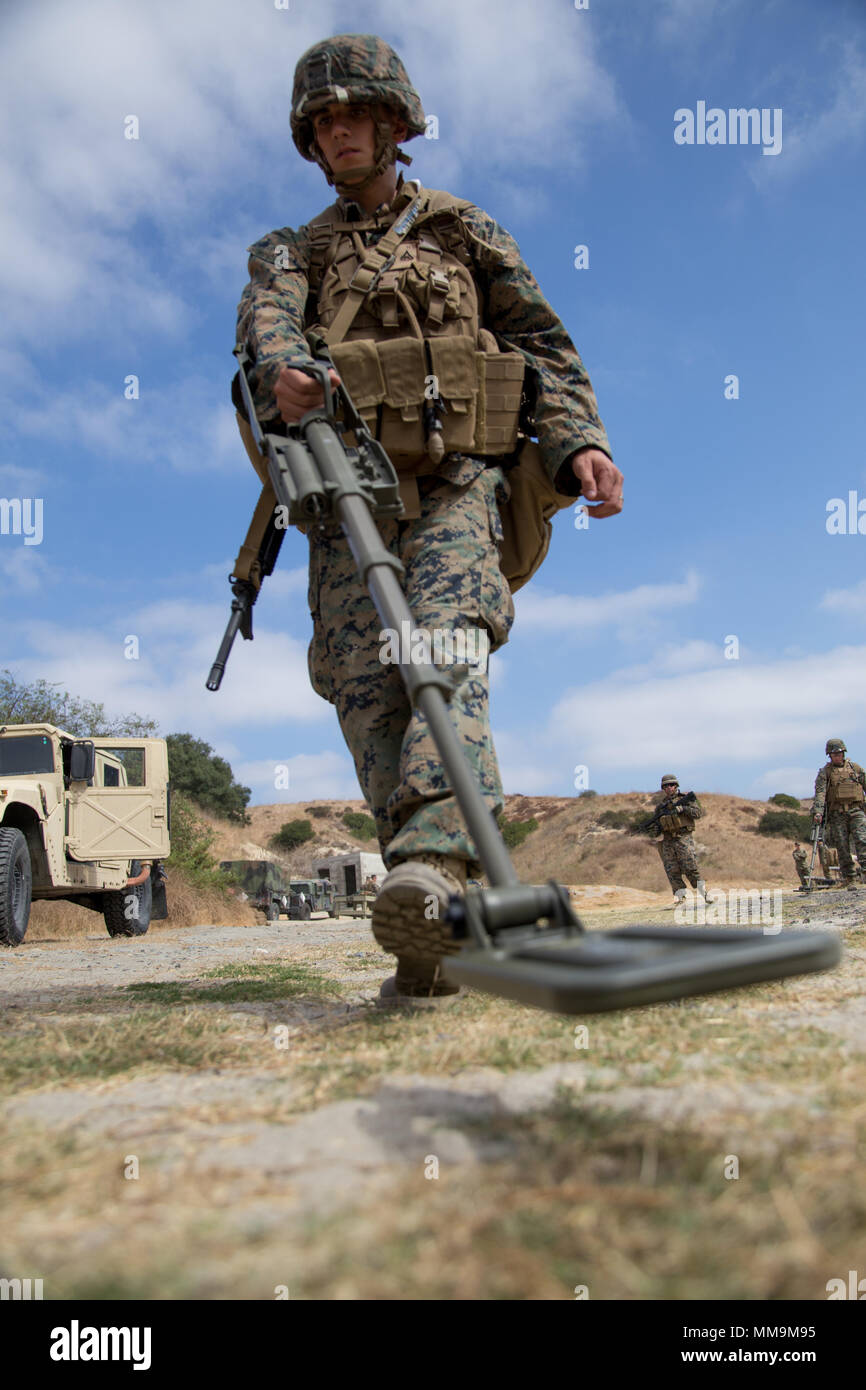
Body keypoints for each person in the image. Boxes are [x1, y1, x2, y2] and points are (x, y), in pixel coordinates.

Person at [236, 35, 621, 1002]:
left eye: (355, 112)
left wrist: (579, 441)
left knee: (445, 655)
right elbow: (267, 324)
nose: (339, 129)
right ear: (310, 142)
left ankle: (437, 871)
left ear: (397, 124)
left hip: (459, 483)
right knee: (367, 691)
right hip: (344, 497)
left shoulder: (466, 232)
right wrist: (281, 372)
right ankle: (428, 917)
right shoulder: (293, 250)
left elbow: (542, 344)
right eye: (322, 120)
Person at [812, 739, 866, 891]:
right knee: (842, 846)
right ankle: (850, 878)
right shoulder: (825, 773)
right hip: (837, 814)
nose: (837, 756)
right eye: (834, 754)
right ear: (829, 755)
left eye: (839, 753)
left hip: (856, 810)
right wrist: (818, 811)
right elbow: (821, 794)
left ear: (843, 753)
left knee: (862, 840)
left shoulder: (855, 769)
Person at [652, 774, 708, 904]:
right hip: (668, 840)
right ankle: (680, 898)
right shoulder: (661, 807)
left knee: (690, 867)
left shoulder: (685, 799)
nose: (668, 788)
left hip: (683, 837)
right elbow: (657, 827)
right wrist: (655, 828)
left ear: (676, 786)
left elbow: (697, 813)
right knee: (672, 870)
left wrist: (683, 808)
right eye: (665, 786)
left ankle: (704, 893)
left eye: (671, 785)